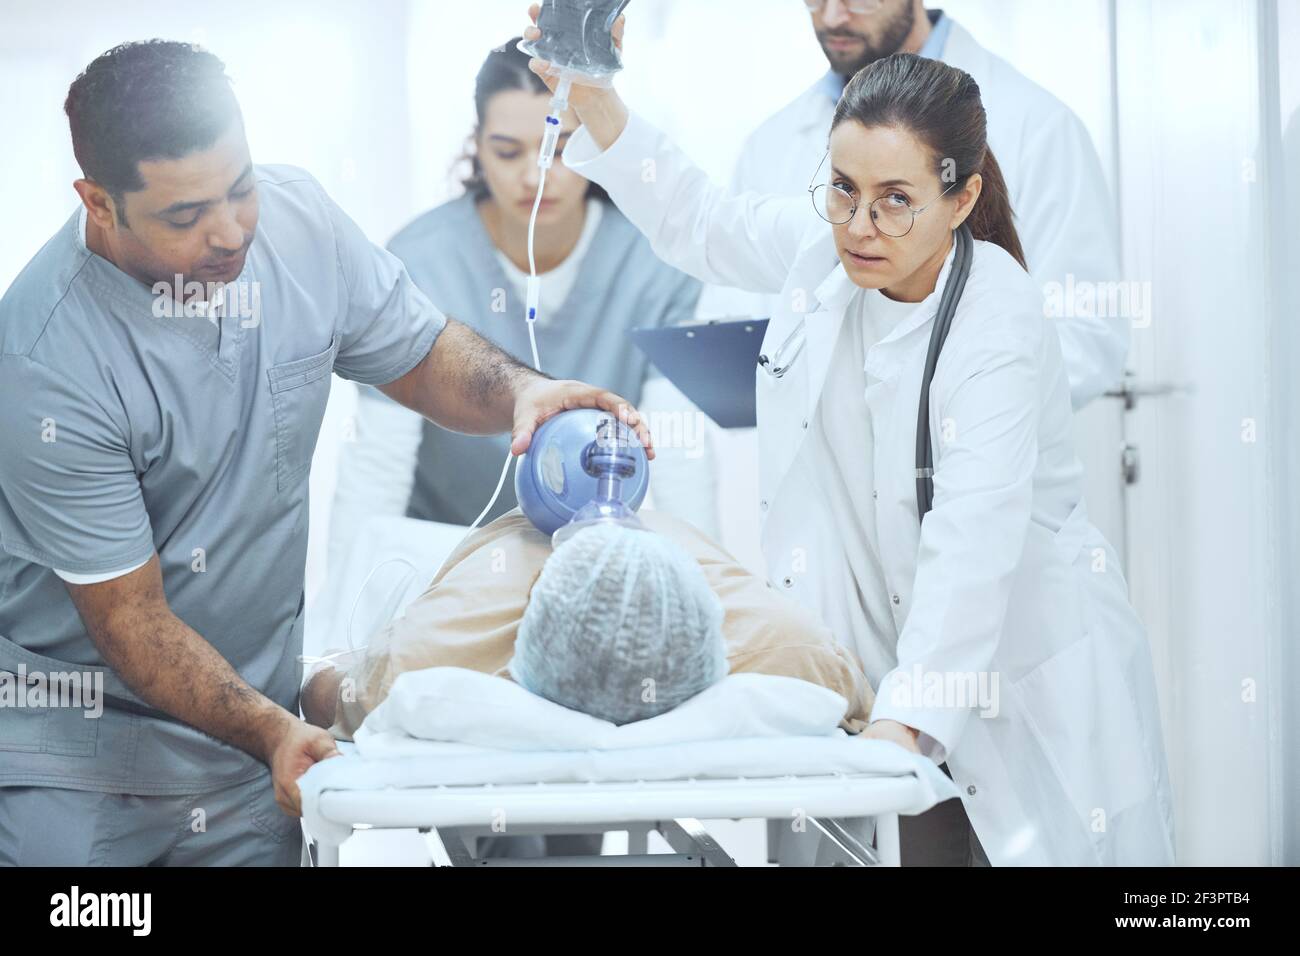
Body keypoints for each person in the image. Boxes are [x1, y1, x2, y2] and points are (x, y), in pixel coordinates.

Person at [523, 7, 1175, 866]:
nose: (861, 226)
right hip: (881, 678)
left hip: (1012, 693)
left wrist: (902, 727)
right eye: (843, 189)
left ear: (962, 197)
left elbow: (970, 550)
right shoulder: (831, 250)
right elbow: (701, 218)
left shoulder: (997, 324)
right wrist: (593, 94)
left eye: (897, 202)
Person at [0, 39, 651, 867]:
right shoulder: (44, 361)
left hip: (250, 758)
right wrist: (272, 725)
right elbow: (131, 618)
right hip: (85, 771)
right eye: (185, 214)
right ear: (98, 203)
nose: (232, 230)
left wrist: (521, 392)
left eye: (240, 188)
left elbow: (416, 352)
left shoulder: (299, 224)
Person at [329, 40, 714, 567]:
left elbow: (681, 454)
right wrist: (345, 615)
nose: (536, 176)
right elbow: (376, 464)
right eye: (509, 152)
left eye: (559, 150)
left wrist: (705, 585)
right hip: (444, 563)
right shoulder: (420, 259)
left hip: (595, 560)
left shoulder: (652, 265)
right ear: (477, 146)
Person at [699, 0, 1125, 410]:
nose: (831, 17)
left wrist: (932, 408)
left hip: (973, 459)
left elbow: (1087, 335)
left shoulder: (1039, 126)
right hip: (831, 473)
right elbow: (731, 308)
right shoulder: (771, 142)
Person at [302, 510, 874, 737]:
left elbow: (320, 692)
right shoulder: (793, 651)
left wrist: (327, 676)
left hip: (502, 557)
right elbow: (861, 701)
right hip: (638, 546)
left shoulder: (429, 656)